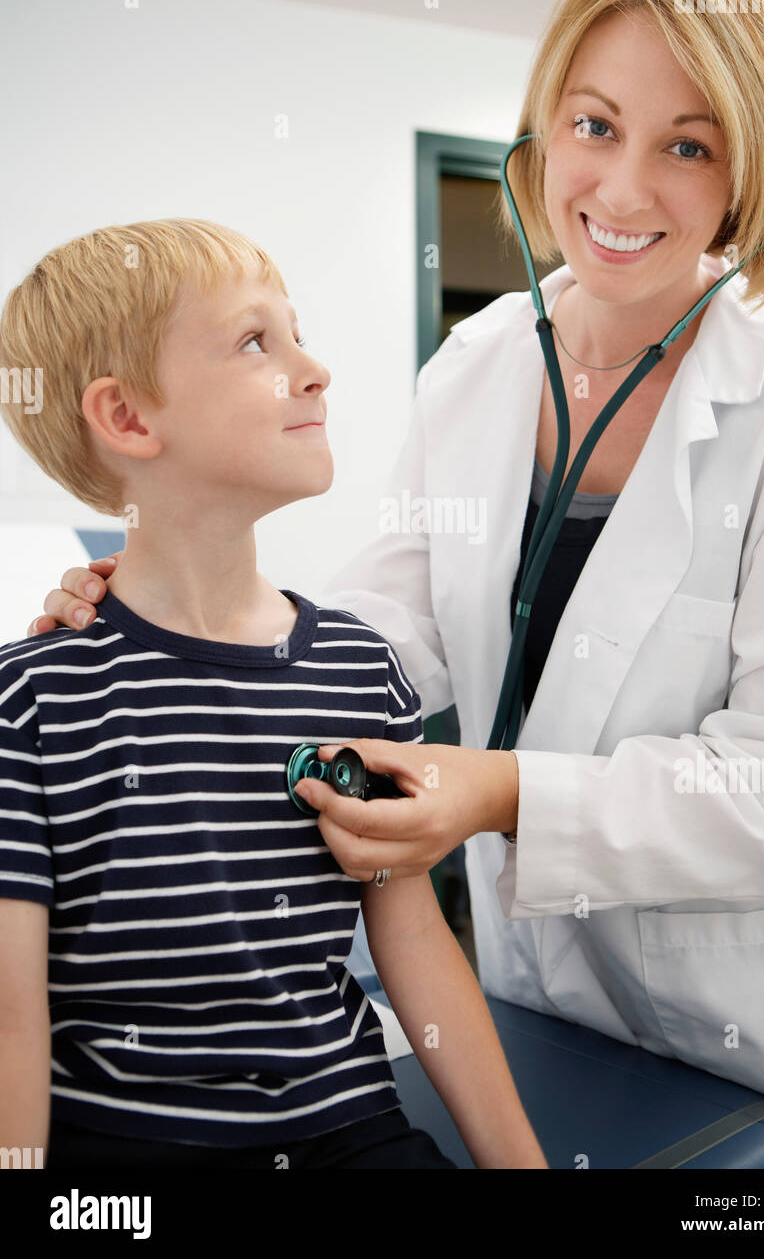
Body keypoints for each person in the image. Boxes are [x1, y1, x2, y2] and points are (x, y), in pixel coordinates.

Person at [25, 0, 764, 1154]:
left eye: (686, 146)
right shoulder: (476, 366)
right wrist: (185, 619)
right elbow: (392, 630)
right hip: (530, 1000)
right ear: (545, 127)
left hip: (749, 1034)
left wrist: (502, 791)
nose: (622, 189)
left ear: (748, 175)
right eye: (592, 125)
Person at [0, 217, 548, 1170]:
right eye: (258, 342)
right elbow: (12, 1022)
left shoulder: (357, 669)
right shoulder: (34, 703)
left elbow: (416, 950)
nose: (314, 368)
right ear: (128, 418)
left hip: (354, 1137)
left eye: (297, 332)